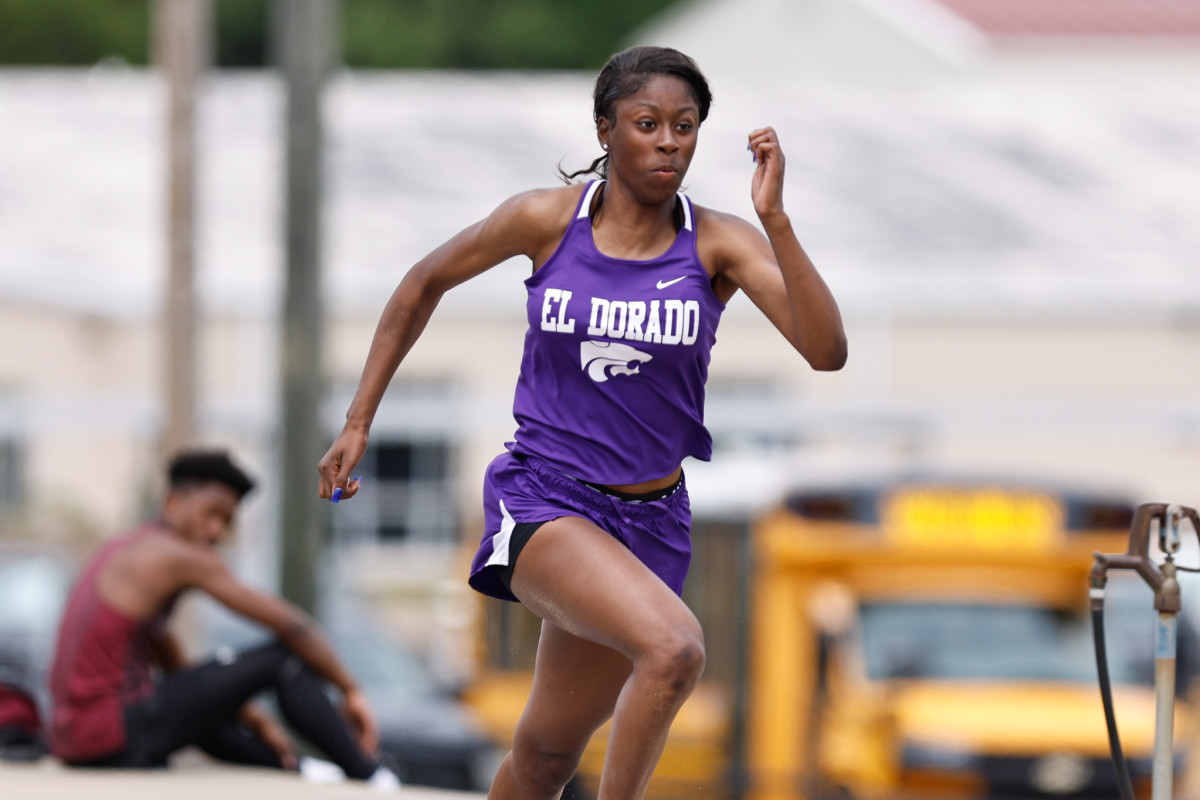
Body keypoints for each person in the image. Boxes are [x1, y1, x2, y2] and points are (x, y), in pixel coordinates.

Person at [317, 45, 847, 800]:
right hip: (546, 500)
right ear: (605, 131)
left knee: (543, 758)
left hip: (651, 522)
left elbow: (826, 351)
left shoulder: (720, 242)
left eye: (686, 127)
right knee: (674, 651)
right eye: (648, 123)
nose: (669, 142)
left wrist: (778, 221)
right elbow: (421, 284)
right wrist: (359, 420)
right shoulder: (546, 220)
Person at [47, 450, 398, 789]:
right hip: (114, 732)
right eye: (211, 513)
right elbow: (293, 626)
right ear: (172, 503)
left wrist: (246, 712)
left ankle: (296, 766)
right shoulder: (178, 554)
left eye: (228, 521)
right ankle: (369, 774)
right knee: (283, 660)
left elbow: (173, 664)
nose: (217, 530)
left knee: (200, 713)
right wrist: (351, 690)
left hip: (77, 741)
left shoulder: (127, 547)